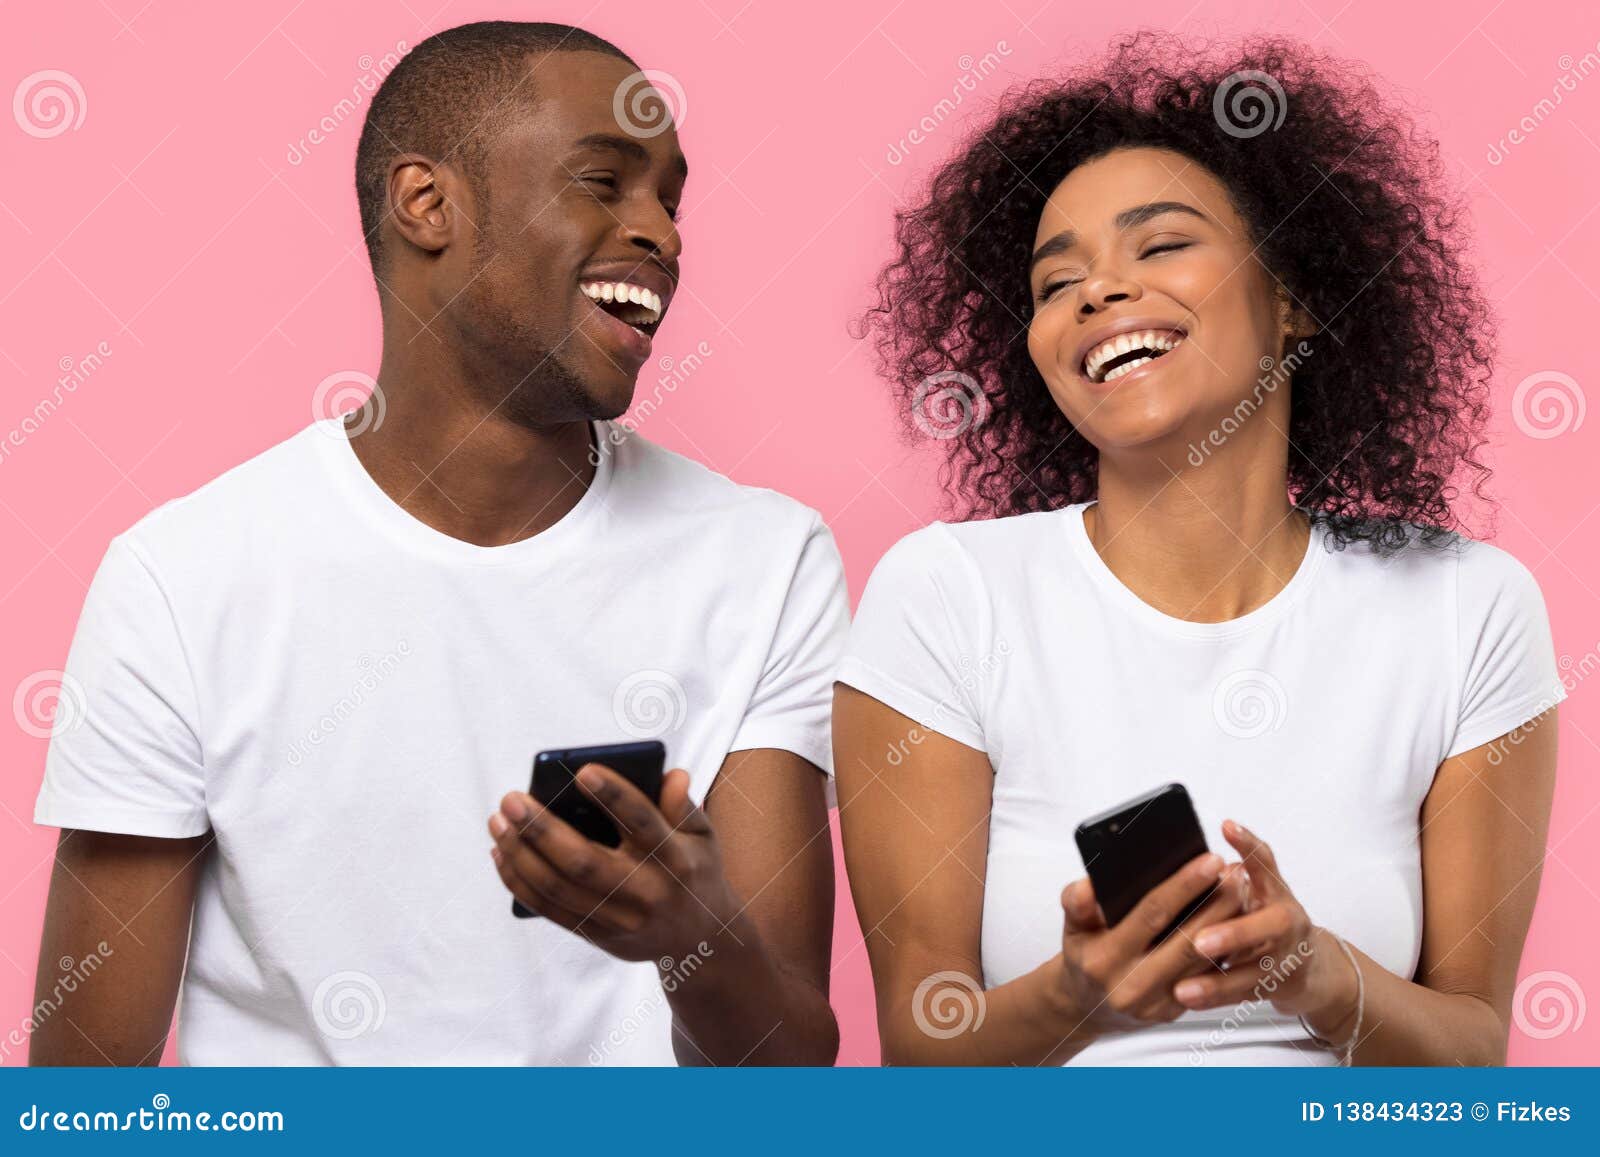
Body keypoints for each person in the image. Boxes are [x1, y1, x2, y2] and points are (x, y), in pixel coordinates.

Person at [30, 21, 845, 1067]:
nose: (664, 236)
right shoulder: (182, 579)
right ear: (428, 205)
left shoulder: (767, 562)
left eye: (671, 201)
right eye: (605, 180)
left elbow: (787, 1070)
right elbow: (84, 1094)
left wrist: (693, 937)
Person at [835, 33, 1565, 1066]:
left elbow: (1473, 1055)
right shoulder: (945, 595)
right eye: (1055, 283)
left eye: (1159, 244)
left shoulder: (1464, 605)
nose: (1097, 292)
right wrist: (1077, 994)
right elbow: (922, 1050)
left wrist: (1317, 975)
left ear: (1295, 298)